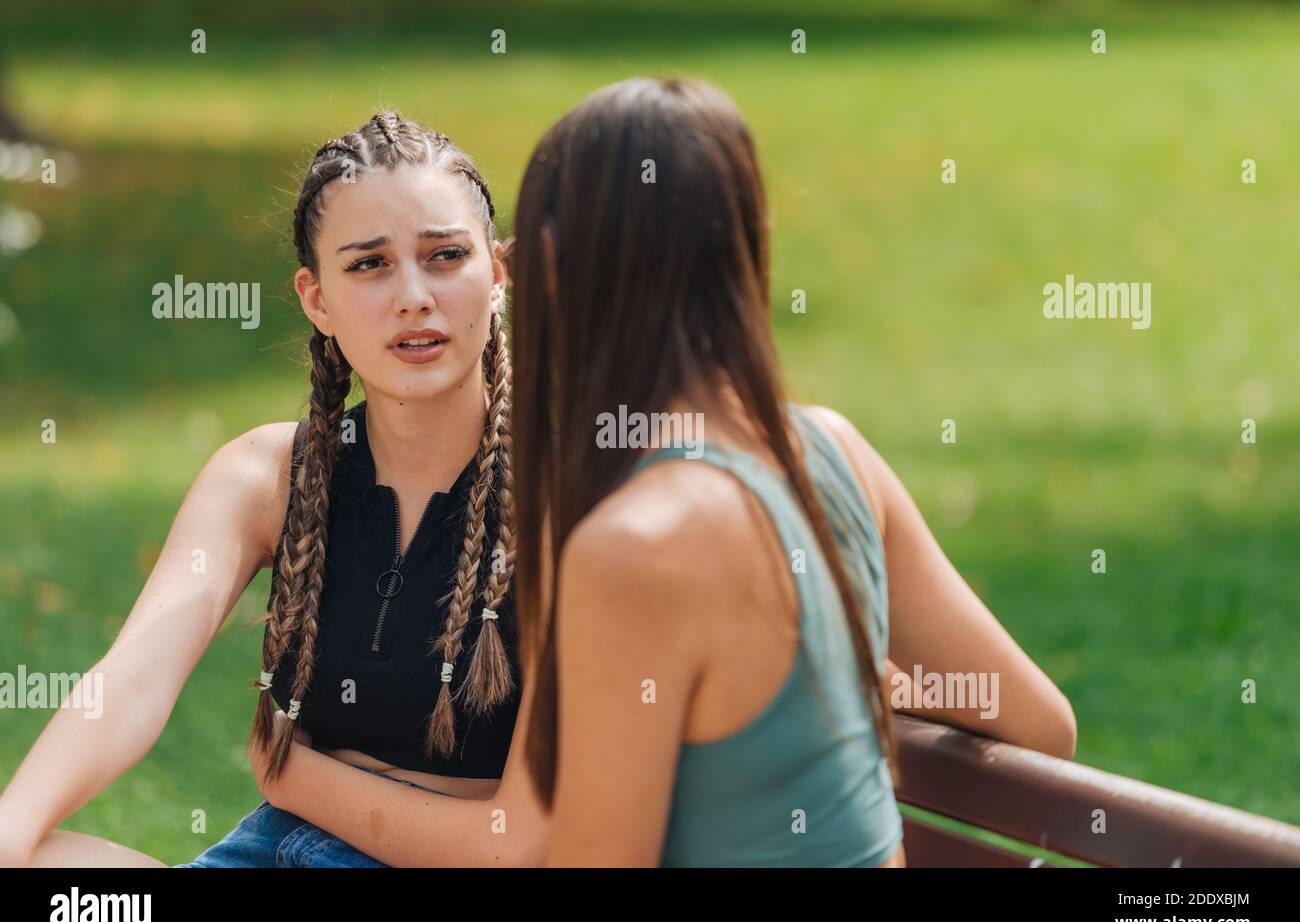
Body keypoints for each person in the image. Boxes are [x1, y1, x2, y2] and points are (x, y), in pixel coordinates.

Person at [508, 77, 1078, 866]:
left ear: (549, 264)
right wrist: (853, 681)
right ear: (741, 250)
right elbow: (1042, 724)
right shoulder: (834, 453)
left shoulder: (635, 547)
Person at [0, 112, 547, 867]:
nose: (414, 296)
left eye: (445, 256)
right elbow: (129, 681)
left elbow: (514, 846)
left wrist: (290, 773)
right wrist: (10, 827)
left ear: (496, 275)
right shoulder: (266, 475)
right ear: (316, 299)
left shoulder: (568, 495)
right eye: (368, 265)